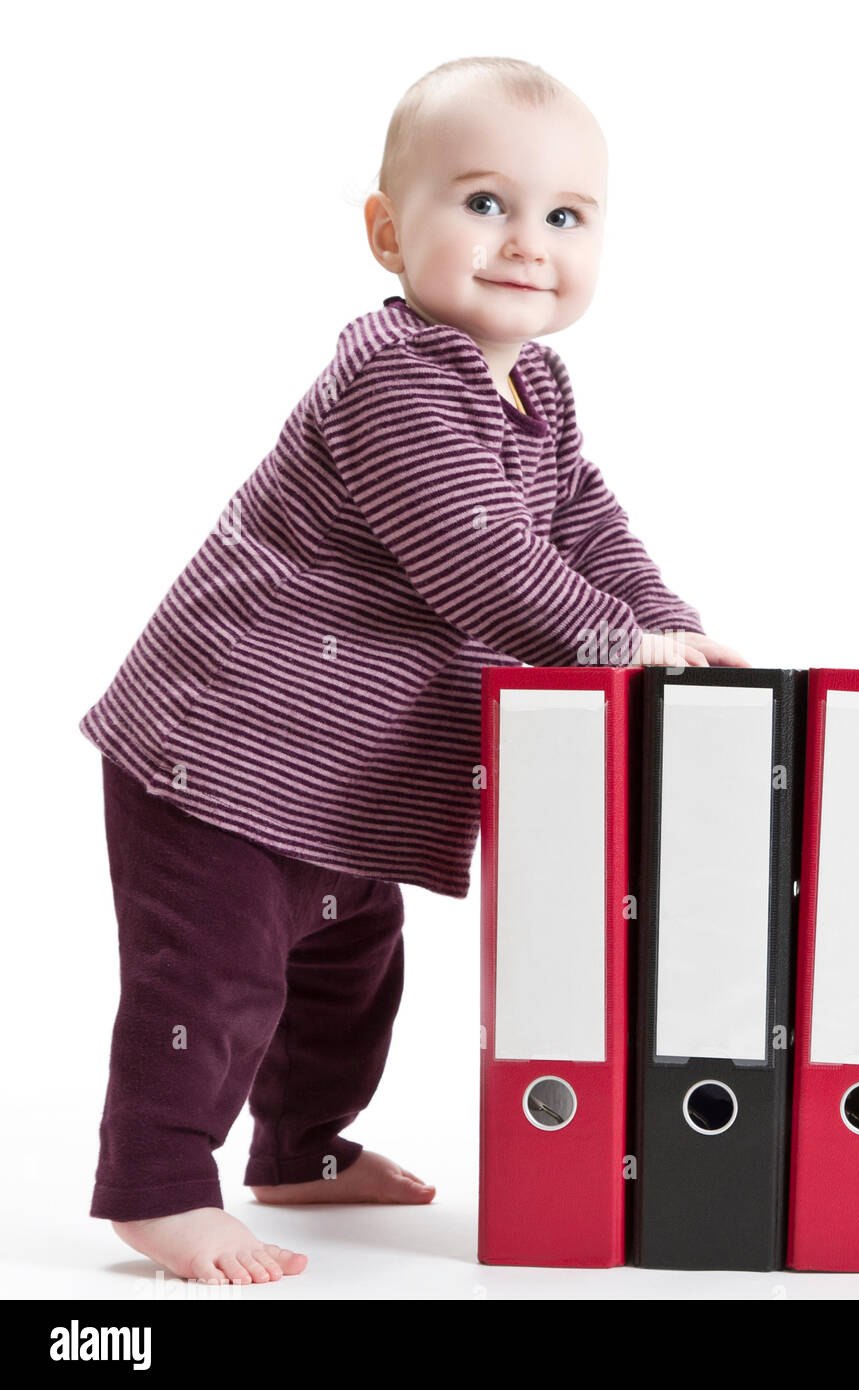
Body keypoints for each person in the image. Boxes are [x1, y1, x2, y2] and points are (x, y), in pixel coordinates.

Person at [78, 55, 749, 1285]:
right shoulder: (395, 377)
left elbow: (582, 522)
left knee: (347, 970)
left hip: (336, 780)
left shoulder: (535, 386)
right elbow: (482, 557)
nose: (526, 243)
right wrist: (612, 643)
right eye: (484, 204)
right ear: (390, 233)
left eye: (566, 216)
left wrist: (666, 618)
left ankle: (301, 1146)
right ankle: (159, 1186)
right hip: (224, 745)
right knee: (213, 977)